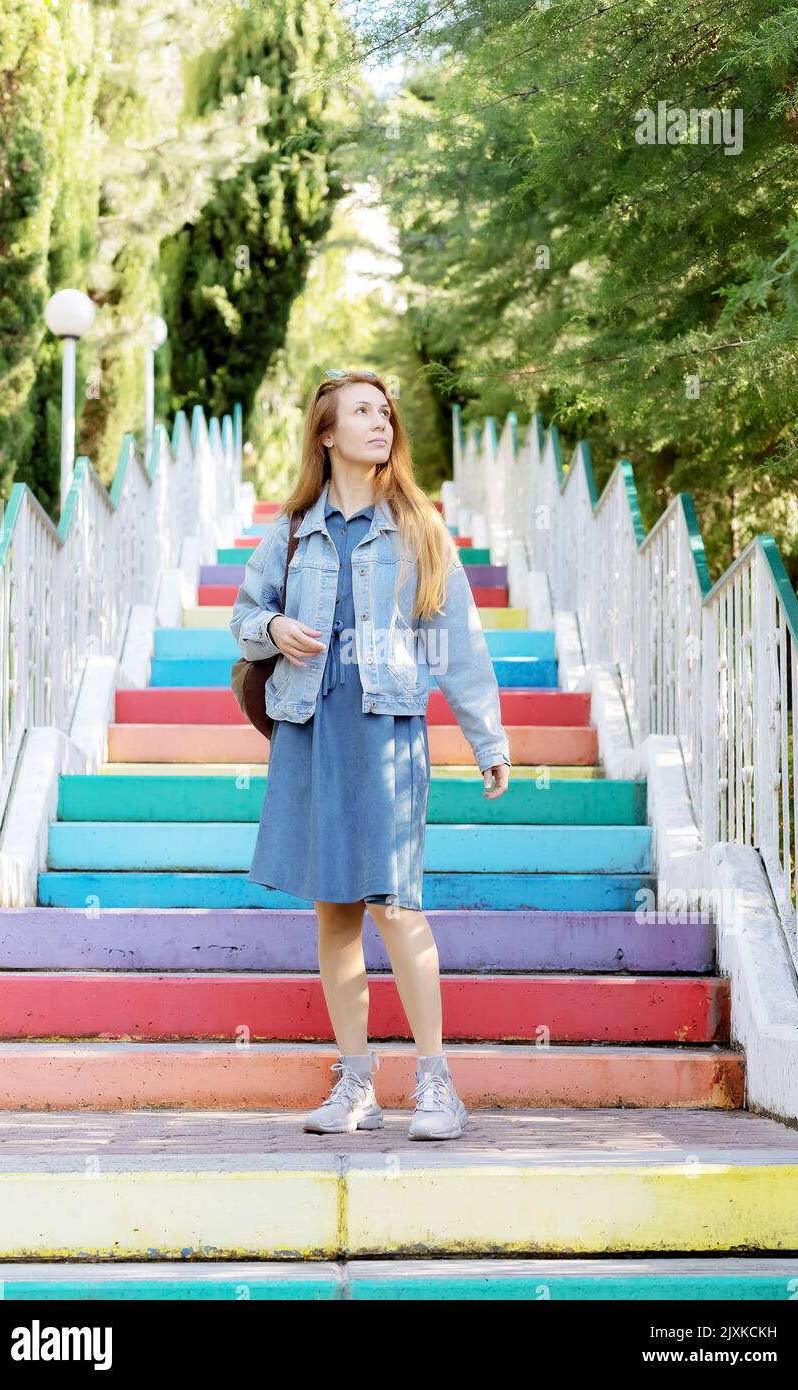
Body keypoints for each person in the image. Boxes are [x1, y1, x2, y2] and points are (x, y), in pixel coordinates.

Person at [230, 369, 510, 1140]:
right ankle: (356, 1083)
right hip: (312, 732)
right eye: (361, 412)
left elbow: (458, 644)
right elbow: (246, 614)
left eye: (385, 412)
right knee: (335, 912)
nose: (380, 422)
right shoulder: (292, 531)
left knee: (396, 906)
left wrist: (488, 739)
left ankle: (436, 1084)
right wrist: (273, 631)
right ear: (326, 433)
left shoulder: (419, 528)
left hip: (388, 733)